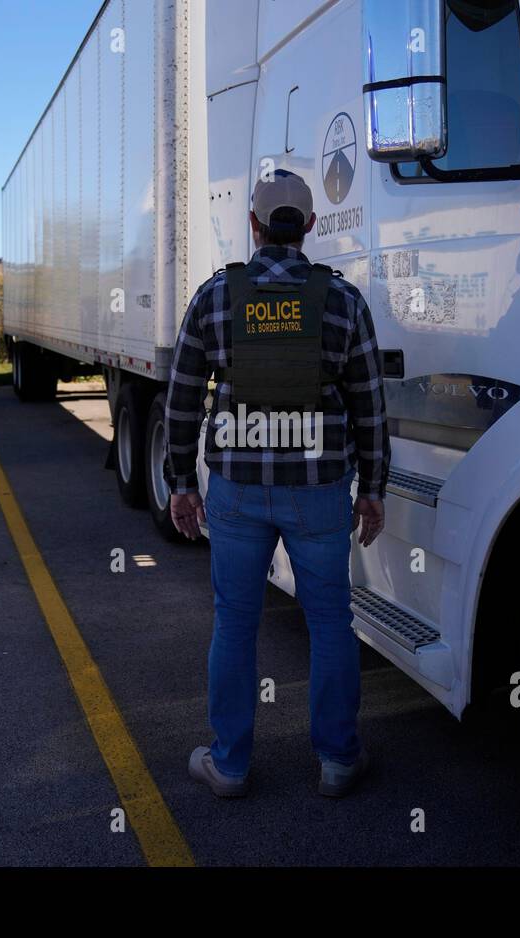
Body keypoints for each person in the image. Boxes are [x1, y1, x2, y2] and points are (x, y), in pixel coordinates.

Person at [164, 169, 390, 799]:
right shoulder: (342, 301)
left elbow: (182, 400)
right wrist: (373, 487)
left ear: (253, 225)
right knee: (330, 623)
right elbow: (369, 405)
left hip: (236, 490)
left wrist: (182, 482)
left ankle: (230, 764)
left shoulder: (216, 297)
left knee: (235, 623)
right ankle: (339, 759)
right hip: (319, 490)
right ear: (311, 227)